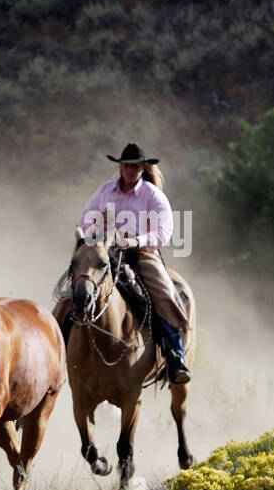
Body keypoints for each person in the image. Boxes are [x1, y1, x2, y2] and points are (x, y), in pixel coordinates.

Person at [62, 142, 191, 384]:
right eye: (126, 166)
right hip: (103, 253)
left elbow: (163, 233)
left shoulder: (153, 196)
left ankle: (176, 356)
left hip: (141, 255)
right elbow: (85, 222)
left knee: (164, 295)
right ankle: (56, 352)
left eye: (135, 166)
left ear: (143, 168)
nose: (130, 170)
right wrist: (96, 224)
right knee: (70, 293)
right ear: (120, 167)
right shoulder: (105, 191)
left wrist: (135, 241)